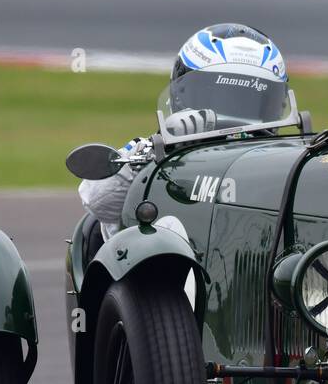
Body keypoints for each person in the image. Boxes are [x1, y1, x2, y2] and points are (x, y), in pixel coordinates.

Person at [79, 23, 289, 235]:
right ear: (180, 94)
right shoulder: (153, 149)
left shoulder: (280, 164)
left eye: (250, 102)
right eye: (220, 98)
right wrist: (160, 147)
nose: (236, 121)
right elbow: (96, 198)